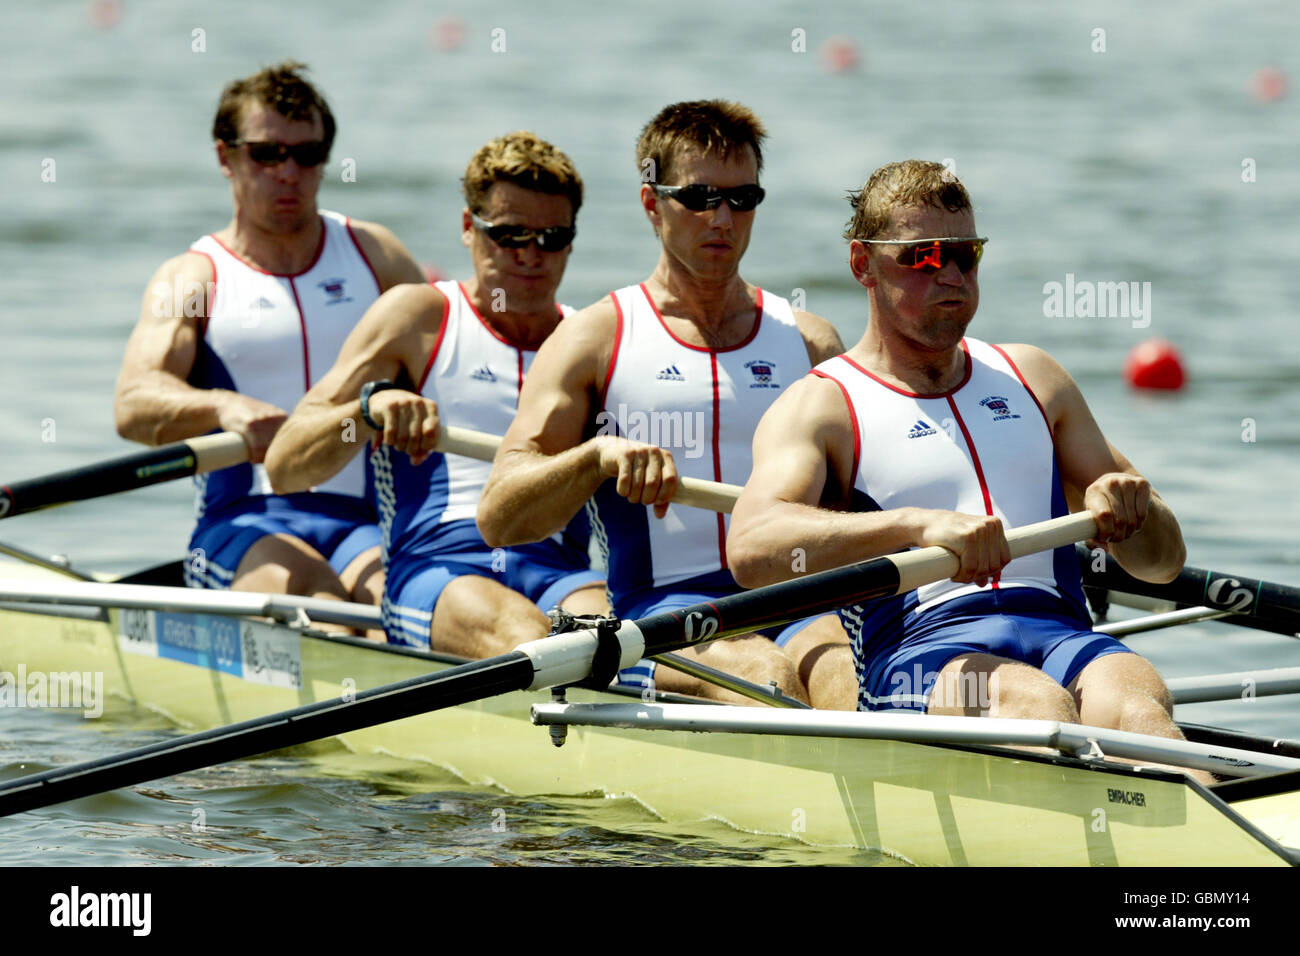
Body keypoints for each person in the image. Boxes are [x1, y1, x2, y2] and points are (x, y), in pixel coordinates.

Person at [727, 160, 1193, 753]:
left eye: (964, 254)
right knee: (1034, 704)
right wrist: (917, 525)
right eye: (922, 256)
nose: (949, 274)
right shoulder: (824, 406)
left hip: (1060, 634)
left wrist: (1136, 510)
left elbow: (1164, 564)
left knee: (1138, 701)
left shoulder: (1033, 377)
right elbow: (750, 548)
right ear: (862, 264)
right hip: (921, 656)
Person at [477, 100, 855, 707]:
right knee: (767, 678)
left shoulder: (809, 341)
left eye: (742, 198)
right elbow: (499, 517)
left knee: (848, 681)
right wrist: (596, 457)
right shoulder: (594, 338)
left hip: (797, 599)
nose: (723, 219)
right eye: (701, 197)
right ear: (652, 203)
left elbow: (864, 500)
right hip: (664, 611)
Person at [264, 131, 607, 655]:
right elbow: (286, 465)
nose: (532, 256)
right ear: (469, 228)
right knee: (533, 640)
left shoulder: (591, 339)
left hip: (558, 572)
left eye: (552, 237)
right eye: (510, 235)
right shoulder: (417, 319)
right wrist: (367, 410)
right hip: (437, 569)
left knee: (627, 641)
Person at [114, 62, 422, 621]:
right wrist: (222, 406)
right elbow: (134, 403)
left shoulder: (377, 257)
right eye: (266, 153)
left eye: (307, 155)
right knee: (318, 602)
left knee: (390, 616)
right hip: (244, 522)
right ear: (225, 157)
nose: (288, 172)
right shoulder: (192, 277)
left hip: (363, 524)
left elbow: (455, 360)